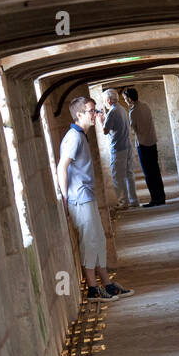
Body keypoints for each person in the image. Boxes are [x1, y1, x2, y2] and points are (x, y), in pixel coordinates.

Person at [57, 96, 133, 302]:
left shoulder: (80, 135)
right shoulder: (74, 137)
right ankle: (92, 289)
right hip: (79, 198)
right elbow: (62, 167)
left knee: (98, 240)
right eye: (91, 111)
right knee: (90, 241)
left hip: (86, 195)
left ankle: (107, 283)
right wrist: (65, 198)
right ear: (79, 114)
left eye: (95, 110)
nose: (96, 114)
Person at [121, 87, 166, 207]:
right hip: (152, 141)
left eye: (125, 99)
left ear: (130, 99)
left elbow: (134, 129)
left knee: (148, 173)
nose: (125, 101)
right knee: (155, 171)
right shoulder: (146, 106)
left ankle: (155, 199)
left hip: (143, 143)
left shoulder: (133, 112)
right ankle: (161, 197)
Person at [101, 88, 139, 209]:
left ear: (108, 100)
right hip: (127, 145)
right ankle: (133, 200)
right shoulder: (121, 108)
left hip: (118, 147)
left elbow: (105, 131)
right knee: (129, 174)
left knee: (118, 176)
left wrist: (100, 119)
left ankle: (123, 202)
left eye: (104, 100)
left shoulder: (112, 111)